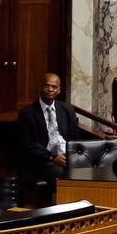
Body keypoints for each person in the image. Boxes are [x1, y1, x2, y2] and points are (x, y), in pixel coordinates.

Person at [16, 72, 81, 205]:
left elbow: (74, 136)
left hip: (66, 156)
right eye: (47, 86)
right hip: (43, 160)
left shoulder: (66, 109)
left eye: (54, 87)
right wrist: (52, 157)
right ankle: (60, 209)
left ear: (59, 90)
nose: (50, 89)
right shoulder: (27, 114)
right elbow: (28, 145)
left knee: (87, 170)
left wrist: (70, 154)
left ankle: (81, 206)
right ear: (40, 87)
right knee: (61, 172)